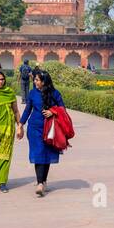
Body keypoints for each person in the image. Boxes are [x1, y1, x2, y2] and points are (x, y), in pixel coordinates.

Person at [19, 68, 66, 197]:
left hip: (50, 129)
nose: (35, 82)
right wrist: (20, 124)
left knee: (47, 154)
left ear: (44, 81)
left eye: (37, 80)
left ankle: (44, 181)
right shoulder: (33, 93)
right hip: (34, 128)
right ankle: (40, 183)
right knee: (38, 153)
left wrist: (53, 112)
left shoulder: (55, 93)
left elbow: (63, 108)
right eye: (34, 80)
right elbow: (27, 110)